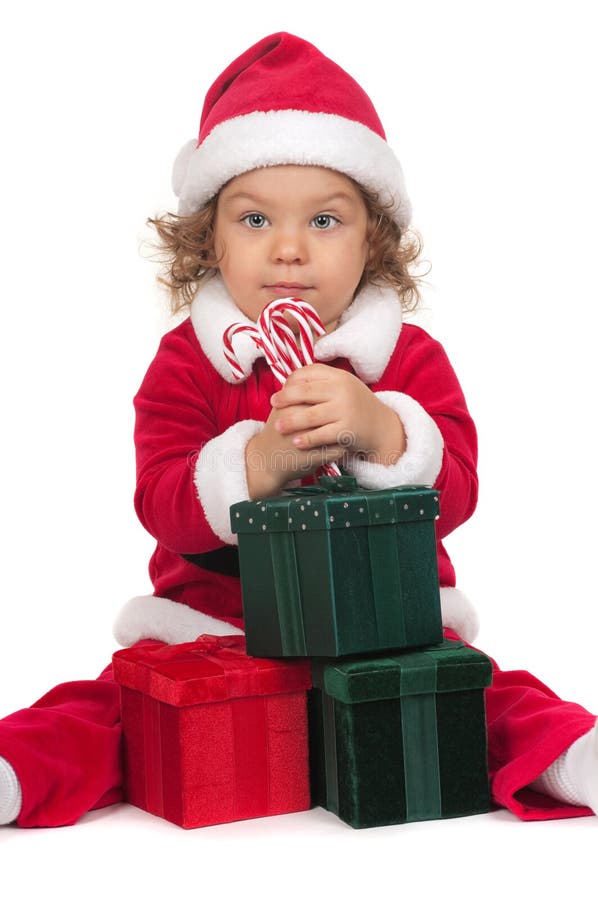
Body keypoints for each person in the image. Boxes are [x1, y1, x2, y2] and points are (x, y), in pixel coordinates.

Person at [0, 31, 596, 829]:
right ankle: (17, 770)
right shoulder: (188, 364)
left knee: (484, 696)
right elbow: (162, 503)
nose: (287, 249)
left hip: (386, 625)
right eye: (253, 220)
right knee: (110, 712)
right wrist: (260, 460)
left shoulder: (405, 359)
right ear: (207, 238)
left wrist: (386, 435)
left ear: (372, 238)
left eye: (323, 219)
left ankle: (571, 759)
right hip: (216, 636)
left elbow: (456, 495)